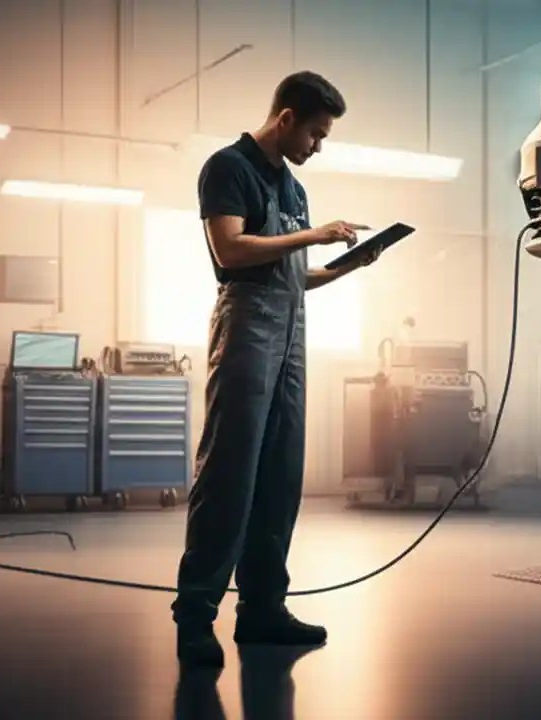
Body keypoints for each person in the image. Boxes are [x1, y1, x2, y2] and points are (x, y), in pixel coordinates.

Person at [173, 70, 376, 667]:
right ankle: (195, 617)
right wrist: (314, 234)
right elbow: (231, 250)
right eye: (315, 133)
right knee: (229, 474)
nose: (318, 145)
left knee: (282, 476)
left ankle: (262, 611)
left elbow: (292, 274)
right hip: (246, 330)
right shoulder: (227, 167)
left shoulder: (293, 189)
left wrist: (348, 266)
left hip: (290, 333)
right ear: (286, 119)